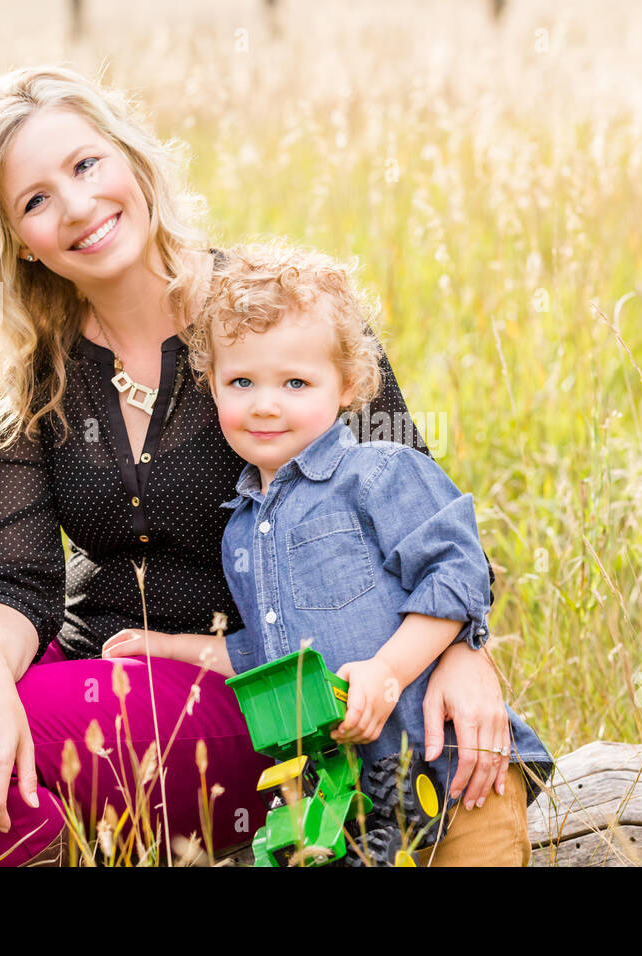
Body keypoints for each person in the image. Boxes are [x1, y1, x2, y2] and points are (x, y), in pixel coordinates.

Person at [0, 64, 526, 867]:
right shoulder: (32, 368)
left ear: (131, 159)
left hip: (256, 688)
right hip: (91, 661)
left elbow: (417, 506)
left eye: (85, 166)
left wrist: (465, 650)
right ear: (18, 238)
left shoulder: (275, 313)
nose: (78, 205)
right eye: (36, 199)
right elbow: (11, 576)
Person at [102, 238, 554, 865]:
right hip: (357, 806)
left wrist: (388, 671)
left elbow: (456, 573)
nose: (266, 403)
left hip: (455, 773)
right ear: (212, 386)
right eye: (242, 381)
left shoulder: (379, 474)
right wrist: (166, 646)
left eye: (295, 382)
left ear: (347, 385)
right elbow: (265, 653)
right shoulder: (241, 529)